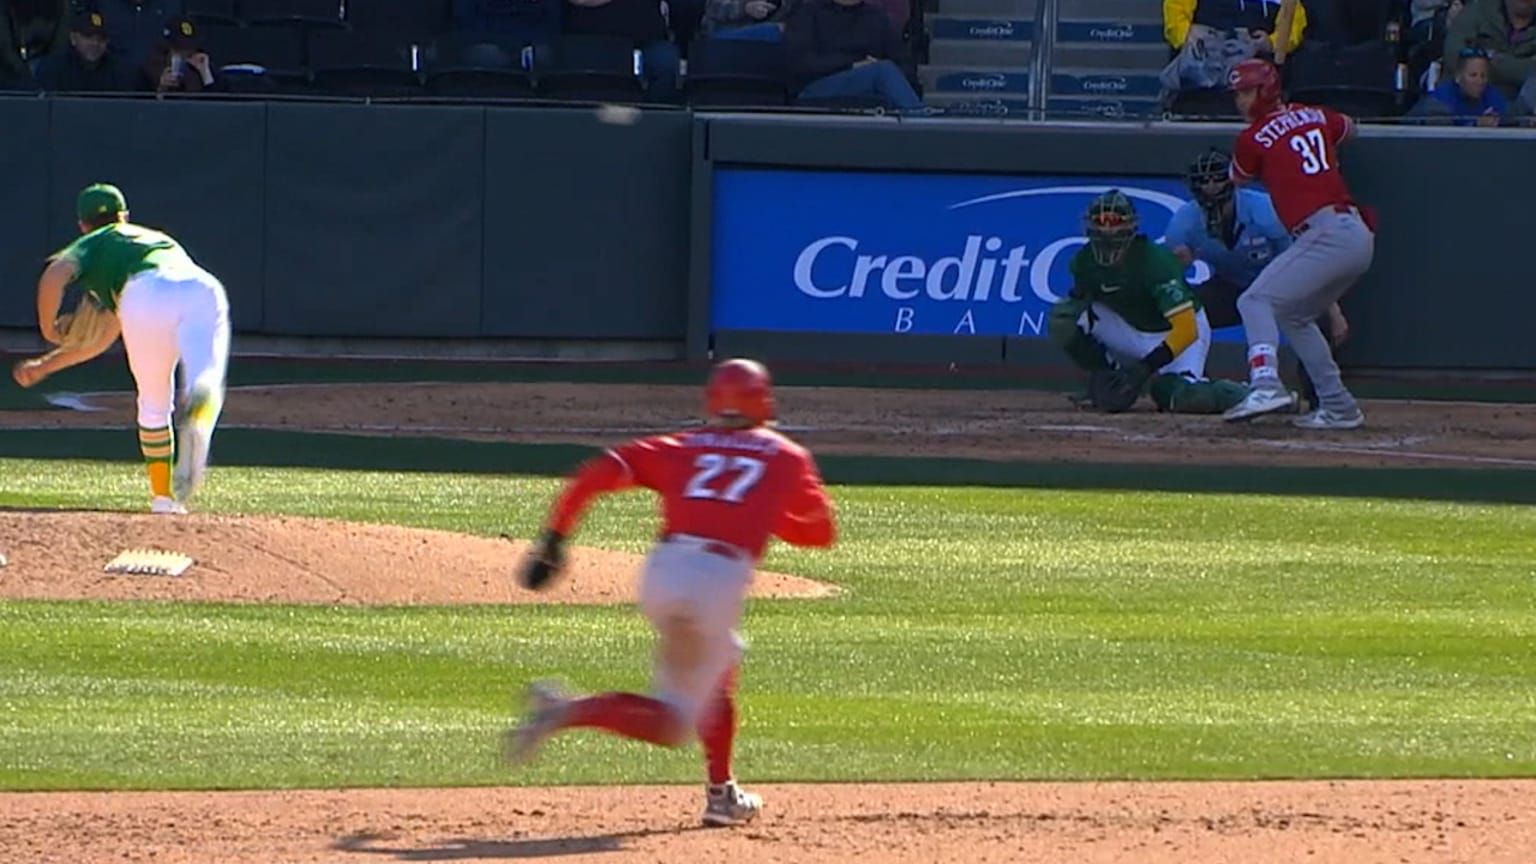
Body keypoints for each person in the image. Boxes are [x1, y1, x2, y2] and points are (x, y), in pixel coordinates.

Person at [503, 358, 837, 827]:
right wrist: (764, 511)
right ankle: (562, 710)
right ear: (763, 401)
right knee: (673, 722)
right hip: (716, 580)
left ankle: (722, 793)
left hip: (663, 572)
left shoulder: (680, 446)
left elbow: (598, 472)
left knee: (722, 662)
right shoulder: (784, 456)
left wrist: (554, 539)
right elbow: (821, 533)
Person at [10, 184, 231, 514]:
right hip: (198, 286)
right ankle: (201, 399)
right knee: (206, 373)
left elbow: (55, 275)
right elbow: (101, 336)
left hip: (142, 297)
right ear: (125, 217)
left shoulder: (93, 243)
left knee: (154, 404)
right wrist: (45, 365)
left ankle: (162, 498)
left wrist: (47, 330)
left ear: (83, 225)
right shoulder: (154, 239)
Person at [1221, 58, 1375, 429]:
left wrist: (1280, 133)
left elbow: (1237, 178)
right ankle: (1339, 406)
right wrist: (1299, 123)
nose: (1240, 102)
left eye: (1246, 92)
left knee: (1255, 299)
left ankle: (1266, 383)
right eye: (1238, 94)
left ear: (1265, 90)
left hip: (1326, 231)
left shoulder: (1251, 137)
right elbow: (1351, 130)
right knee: (1294, 315)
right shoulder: (1316, 114)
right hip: (1354, 235)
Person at [1166, 148, 1348, 414]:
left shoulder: (1265, 210)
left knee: (1319, 321)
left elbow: (1308, 261)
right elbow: (1173, 275)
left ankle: (1322, 399)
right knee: (1189, 313)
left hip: (1280, 283)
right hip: (1231, 285)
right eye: (1204, 182)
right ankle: (1198, 386)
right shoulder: (1185, 221)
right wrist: (1178, 267)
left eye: (1216, 179)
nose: (1211, 187)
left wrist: (1333, 310)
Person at [1049, 190, 1248, 415]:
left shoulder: (1155, 262)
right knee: (1063, 320)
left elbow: (1186, 329)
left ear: (1130, 226)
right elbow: (1077, 305)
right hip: (1130, 328)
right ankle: (1107, 377)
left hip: (1176, 332)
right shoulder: (1083, 262)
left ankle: (1245, 395)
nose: (1107, 229)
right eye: (1100, 222)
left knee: (1184, 398)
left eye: (1114, 221)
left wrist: (1144, 368)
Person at [33, 8, 138, 92]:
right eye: (88, 36)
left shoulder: (122, 73)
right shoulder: (52, 69)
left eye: (101, 39)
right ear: (73, 38)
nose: (95, 43)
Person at [1408, 47, 1512, 124]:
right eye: (1473, 75)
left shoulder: (1492, 95)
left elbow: (1511, 119)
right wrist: (1475, 126)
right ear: (1458, 77)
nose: (1479, 81)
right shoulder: (1439, 100)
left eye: (1483, 76)